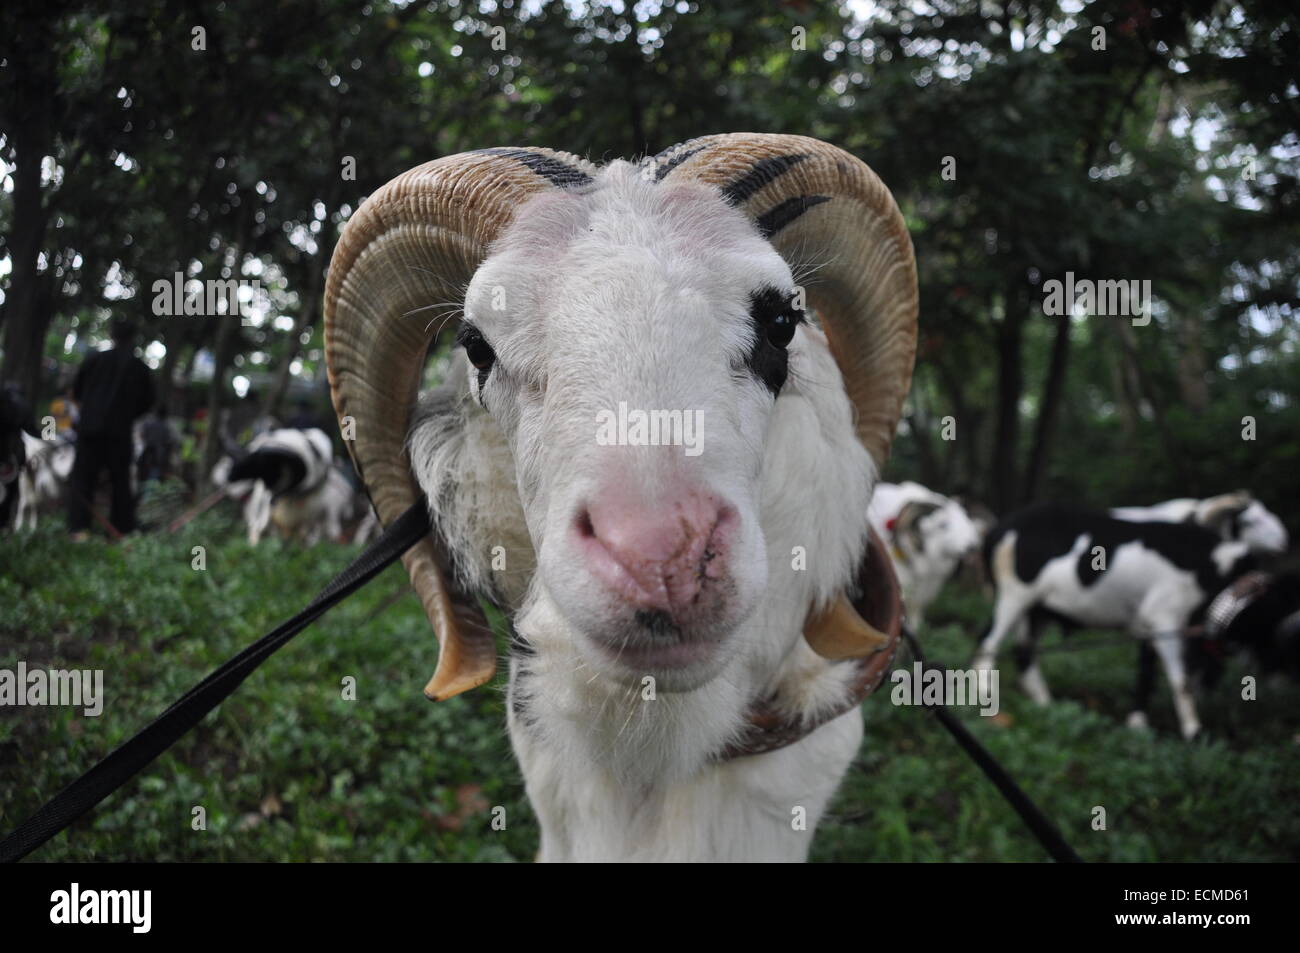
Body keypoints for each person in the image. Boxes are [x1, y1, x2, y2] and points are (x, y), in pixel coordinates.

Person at [67, 320, 155, 538]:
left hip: (89, 431)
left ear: (112, 334)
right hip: (119, 434)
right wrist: (125, 416)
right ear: (133, 338)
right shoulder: (139, 368)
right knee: (120, 483)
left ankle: (79, 529)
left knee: (82, 480)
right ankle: (120, 529)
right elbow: (147, 403)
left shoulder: (94, 359)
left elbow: (77, 392)